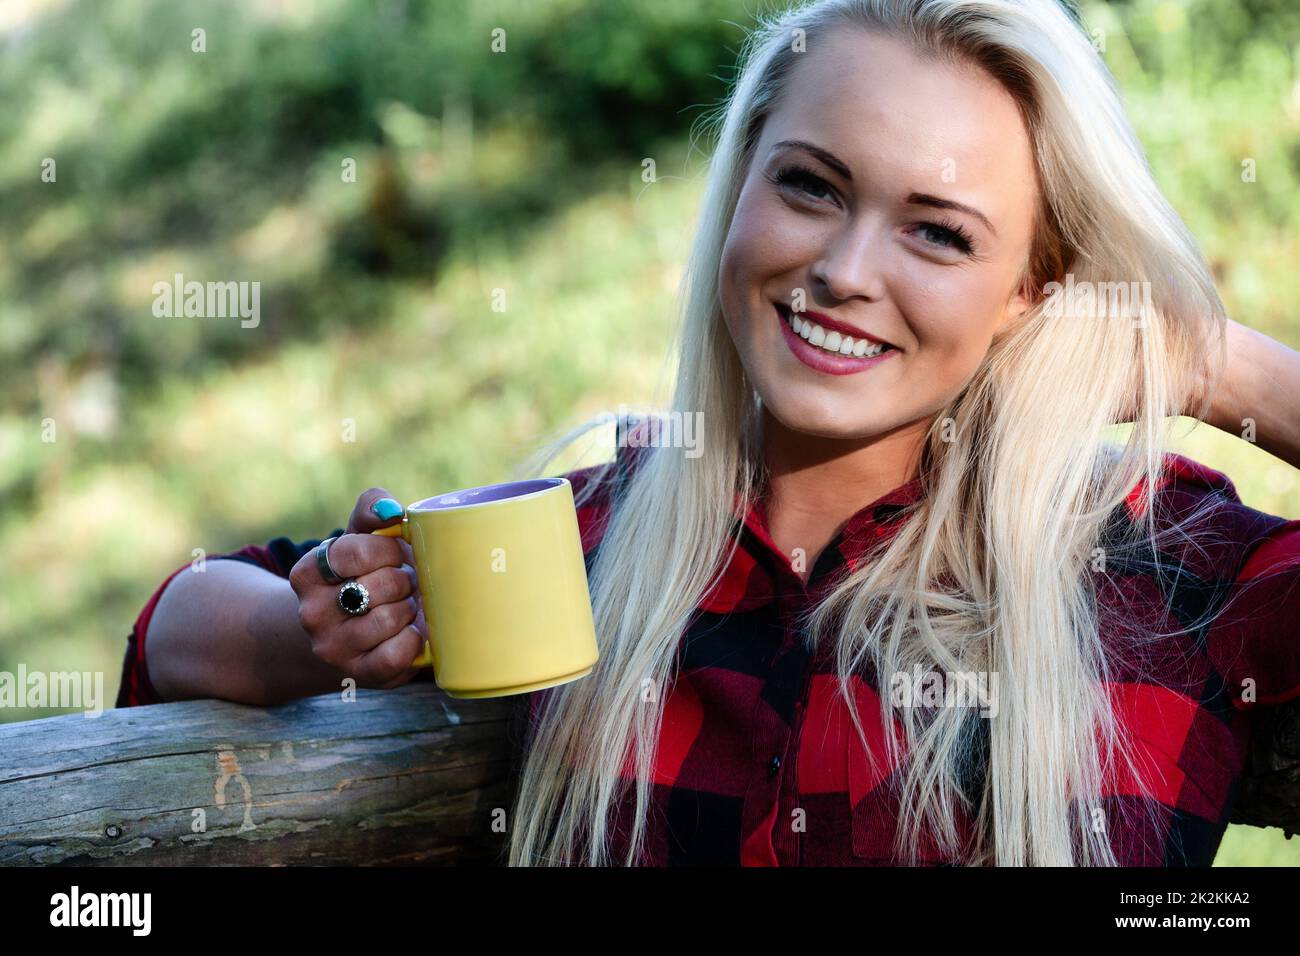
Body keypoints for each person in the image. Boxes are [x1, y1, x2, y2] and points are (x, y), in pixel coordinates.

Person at [119, 0, 1300, 867]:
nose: (841, 272)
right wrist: (322, 618)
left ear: (1030, 292)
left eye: (937, 234)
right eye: (810, 186)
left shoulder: (1157, 564)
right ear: (740, 188)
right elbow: (182, 625)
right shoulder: (583, 540)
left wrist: (1218, 364)